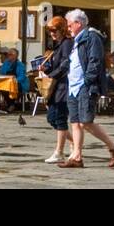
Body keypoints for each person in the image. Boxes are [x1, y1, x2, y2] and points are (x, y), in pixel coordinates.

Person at [59, 9, 114, 169]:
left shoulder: (92, 37)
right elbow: (72, 61)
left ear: (78, 24)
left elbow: (95, 61)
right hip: (73, 87)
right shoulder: (77, 40)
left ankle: (113, 146)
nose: (68, 28)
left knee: (86, 121)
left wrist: (87, 81)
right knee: (75, 123)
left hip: (84, 86)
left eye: (70, 25)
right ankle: (77, 157)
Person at [40, 16, 73, 163]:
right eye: (49, 31)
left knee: (59, 118)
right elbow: (57, 65)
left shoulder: (66, 44)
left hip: (63, 86)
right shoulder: (58, 45)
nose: (52, 33)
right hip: (57, 86)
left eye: (54, 30)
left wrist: (51, 75)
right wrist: (46, 69)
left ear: (62, 29)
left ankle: (59, 152)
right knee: (52, 118)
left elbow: (65, 65)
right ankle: (74, 142)